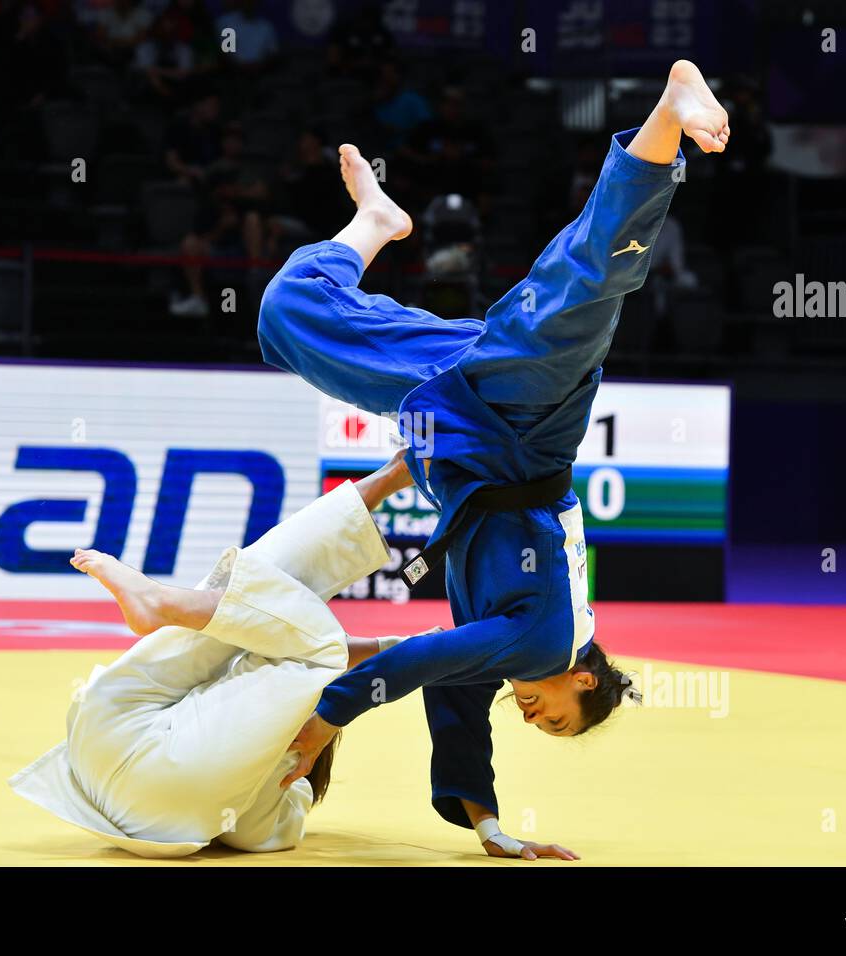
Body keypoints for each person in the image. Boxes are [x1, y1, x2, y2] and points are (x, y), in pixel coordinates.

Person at [256, 60, 729, 857]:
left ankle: (374, 223)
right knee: (586, 279)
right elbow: (419, 658)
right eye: (555, 715)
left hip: (453, 414)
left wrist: (493, 828)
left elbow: (456, 703)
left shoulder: (521, 646)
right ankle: (669, 112)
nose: (534, 716)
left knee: (287, 317)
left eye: (534, 725)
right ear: (583, 679)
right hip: (524, 418)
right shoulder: (544, 640)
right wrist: (324, 721)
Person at [8, 453, 425, 857]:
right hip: (152, 796)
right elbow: (251, 834)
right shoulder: (269, 764)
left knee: (251, 627)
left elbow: (288, 640)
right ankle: (165, 603)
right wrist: (310, 740)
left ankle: (165, 601)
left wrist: (393, 655)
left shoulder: (242, 729)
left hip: (100, 722)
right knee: (282, 640)